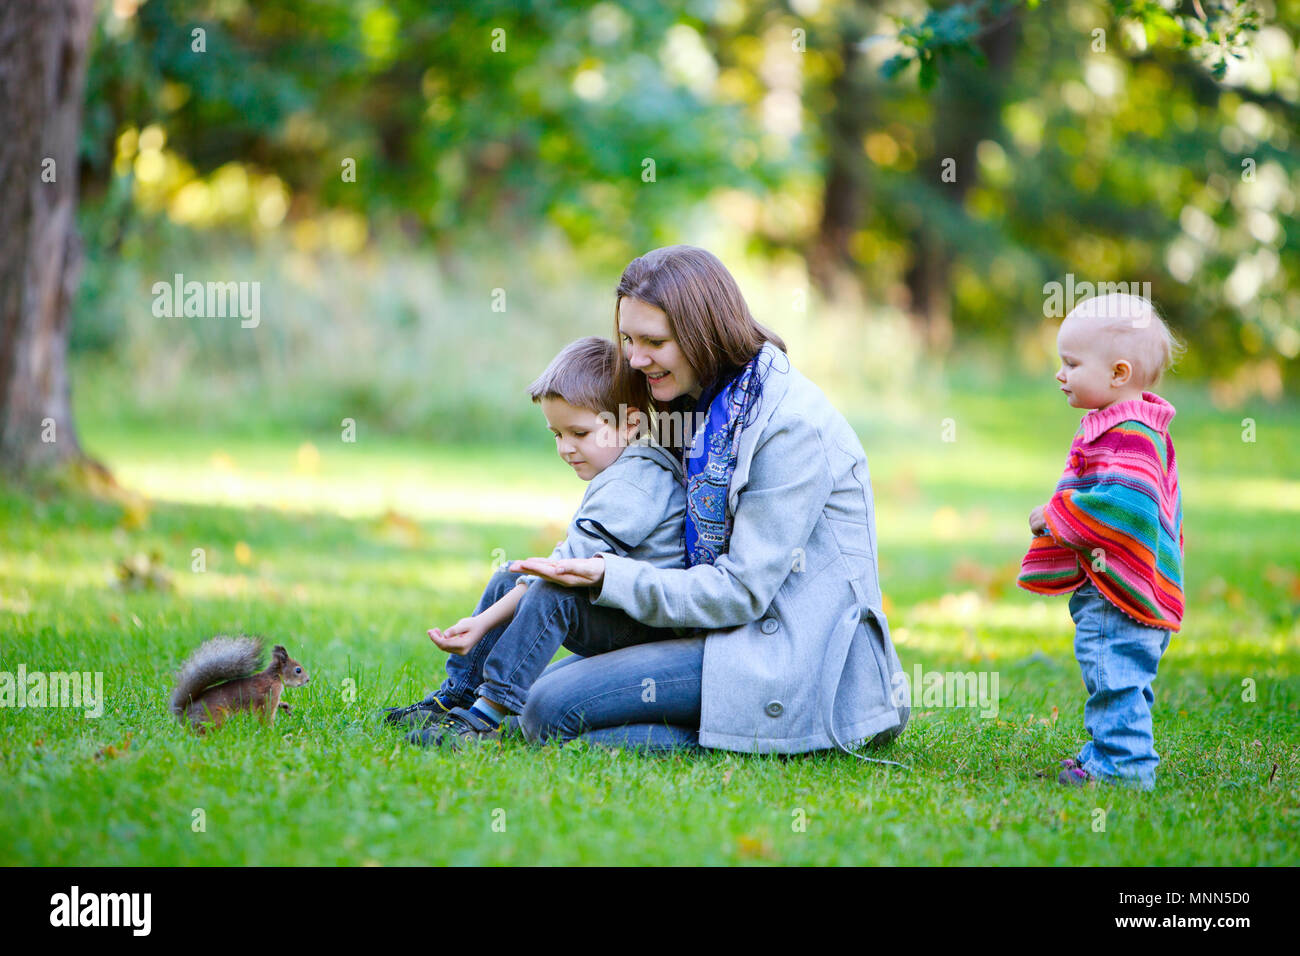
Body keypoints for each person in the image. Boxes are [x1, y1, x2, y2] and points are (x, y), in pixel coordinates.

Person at [509, 245, 909, 756]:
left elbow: (741, 591)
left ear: (703, 331)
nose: (634, 358)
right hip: (713, 633)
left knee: (550, 712)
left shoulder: (789, 427)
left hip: (782, 653)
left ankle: (742, 736)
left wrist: (611, 575)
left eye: (654, 341)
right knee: (533, 702)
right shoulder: (702, 402)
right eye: (628, 339)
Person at [380, 336, 687, 747]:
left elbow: (565, 569)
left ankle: (485, 716)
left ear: (629, 423)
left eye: (579, 432)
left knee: (551, 594)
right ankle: (457, 696)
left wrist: (484, 622)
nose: (565, 448)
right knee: (511, 578)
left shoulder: (638, 481)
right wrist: (486, 617)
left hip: (649, 626)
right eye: (556, 434)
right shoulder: (622, 470)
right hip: (616, 608)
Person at [1018, 293, 1185, 789]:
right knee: (1109, 673)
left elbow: (1122, 505)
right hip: (1108, 587)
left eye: (1071, 363)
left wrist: (1055, 515)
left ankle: (1124, 770)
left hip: (1120, 594)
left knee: (1115, 678)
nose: (1060, 374)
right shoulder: (1120, 426)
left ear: (1118, 373)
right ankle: (1103, 754)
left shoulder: (1131, 434)